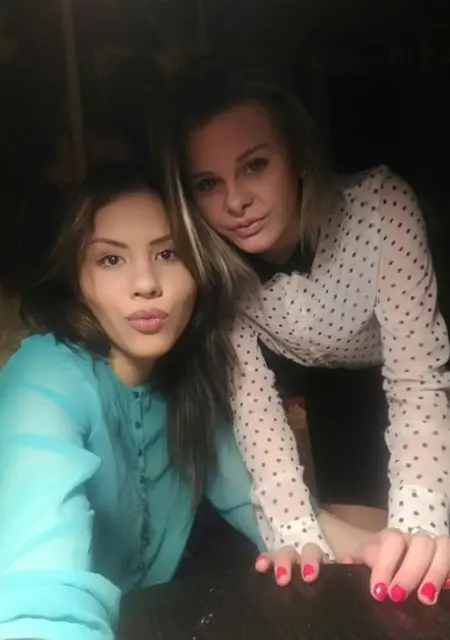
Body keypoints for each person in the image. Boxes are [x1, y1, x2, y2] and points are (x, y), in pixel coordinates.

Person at [0, 164, 372, 638]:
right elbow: (38, 598)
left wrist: (386, 550)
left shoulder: (190, 386)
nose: (145, 283)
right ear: (78, 280)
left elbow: (276, 512)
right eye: (110, 259)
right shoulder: (43, 379)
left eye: (168, 253)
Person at [164, 60, 450, 605]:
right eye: (208, 184)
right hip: (335, 392)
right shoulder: (215, 269)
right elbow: (254, 406)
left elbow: (418, 379)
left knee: (427, 548)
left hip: (420, 372)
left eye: (254, 165)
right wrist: (295, 533)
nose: (235, 202)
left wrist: (421, 521)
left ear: (295, 154)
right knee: (354, 579)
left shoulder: (382, 208)